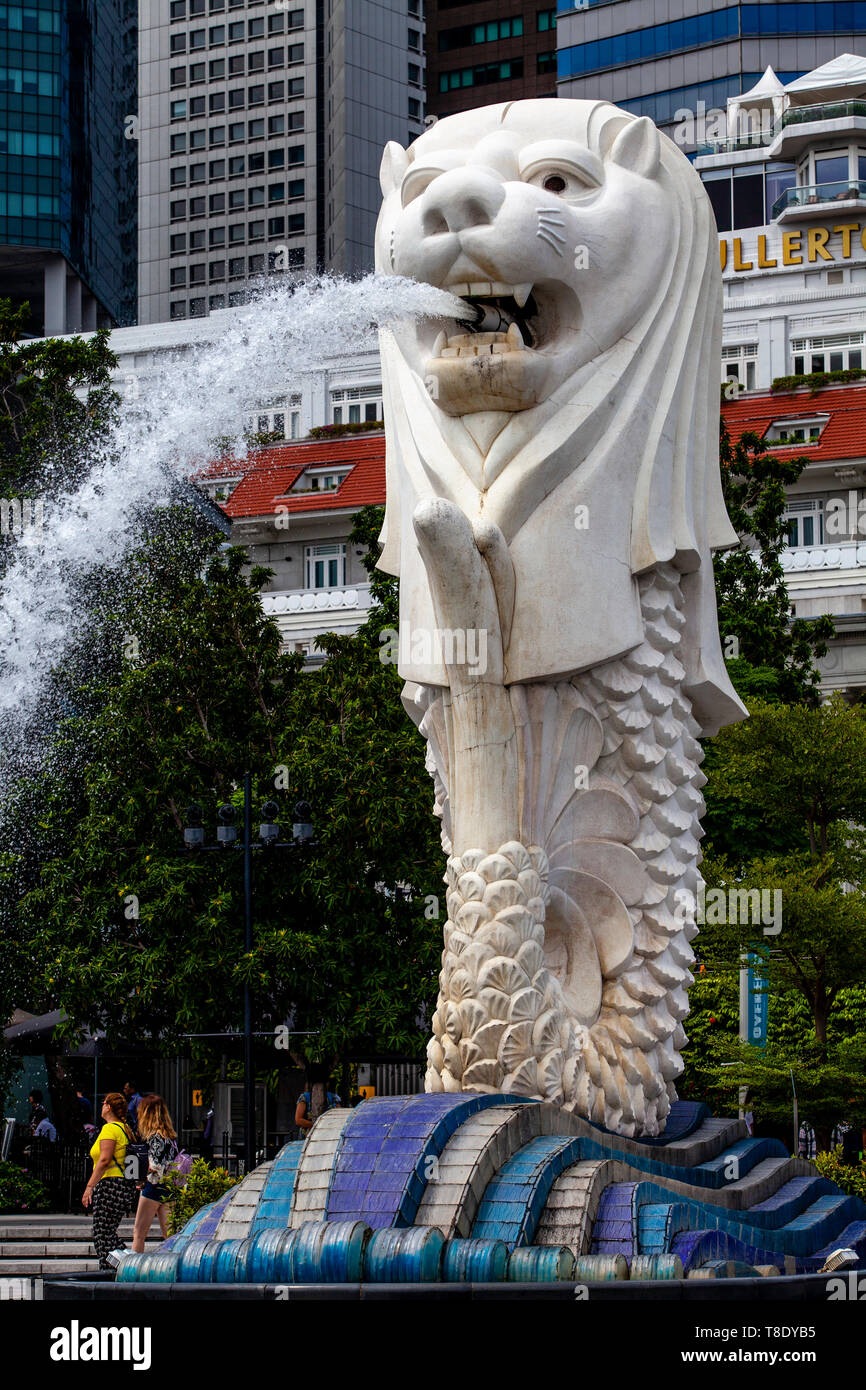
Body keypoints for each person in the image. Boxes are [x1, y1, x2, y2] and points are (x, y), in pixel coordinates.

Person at [82, 1093, 137, 1270]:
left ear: (109, 1107)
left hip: (109, 1185)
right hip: (123, 1186)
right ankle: (119, 1265)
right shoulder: (124, 1128)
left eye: (104, 1103)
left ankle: (120, 1266)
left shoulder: (109, 1129)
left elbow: (104, 1160)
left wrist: (89, 1186)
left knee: (101, 1233)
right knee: (106, 1232)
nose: (101, 1106)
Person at [131, 1095, 178, 1253]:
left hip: (153, 1187)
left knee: (139, 1234)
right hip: (169, 1187)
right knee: (170, 1236)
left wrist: (140, 1174)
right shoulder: (169, 1137)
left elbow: (154, 1166)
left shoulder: (154, 1138)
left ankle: (133, 1272)